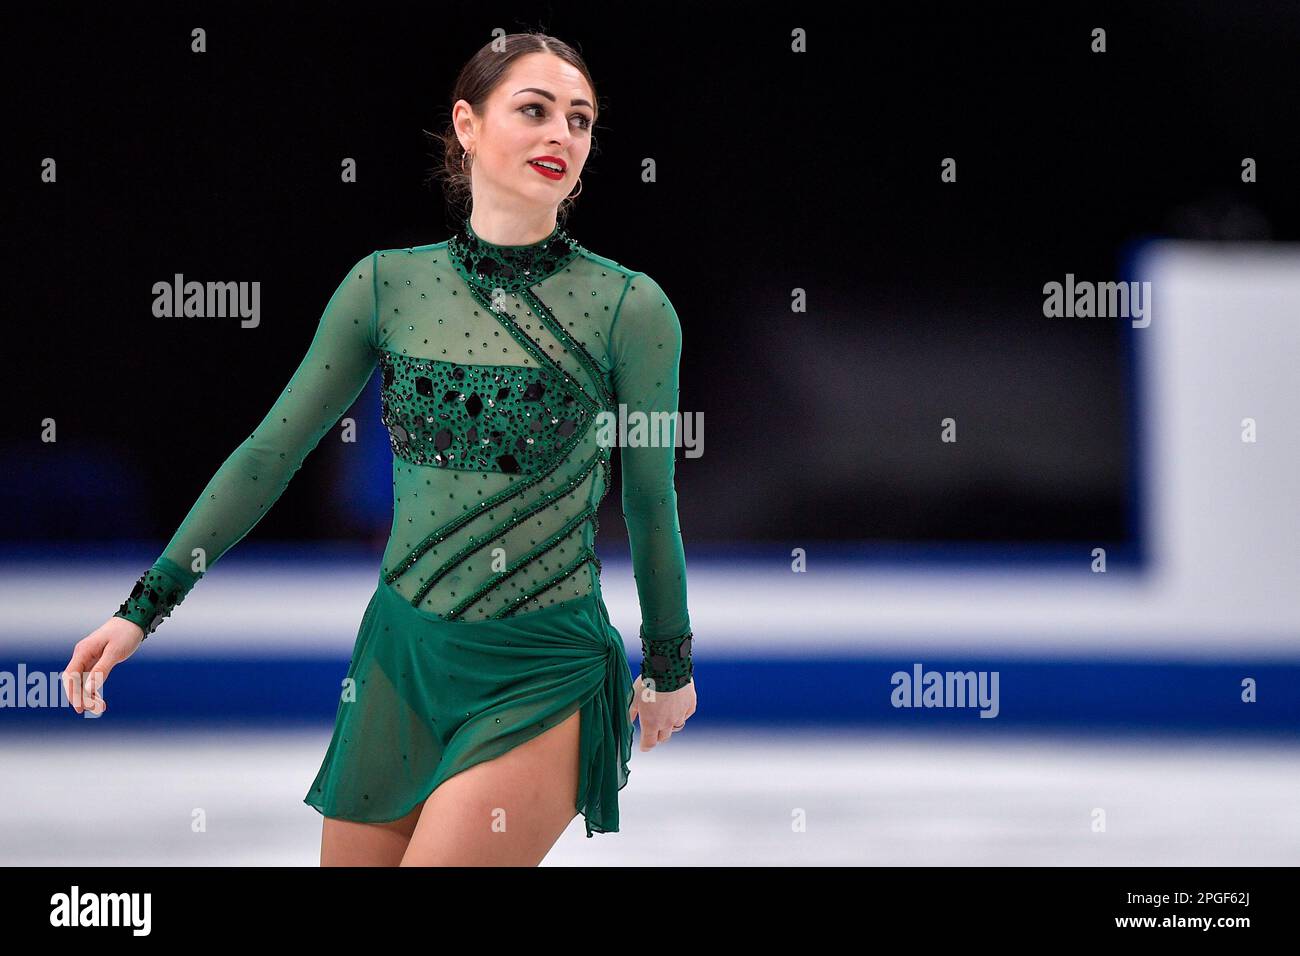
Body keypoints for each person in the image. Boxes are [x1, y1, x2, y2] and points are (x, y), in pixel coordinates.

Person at [62, 32, 696, 866]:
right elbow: (270, 451)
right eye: (534, 111)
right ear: (465, 125)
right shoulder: (385, 285)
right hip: (397, 664)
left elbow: (649, 498)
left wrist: (668, 659)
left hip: (539, 670)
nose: (561, 136)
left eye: (579, 121)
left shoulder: (631, 308)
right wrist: (145, 603)